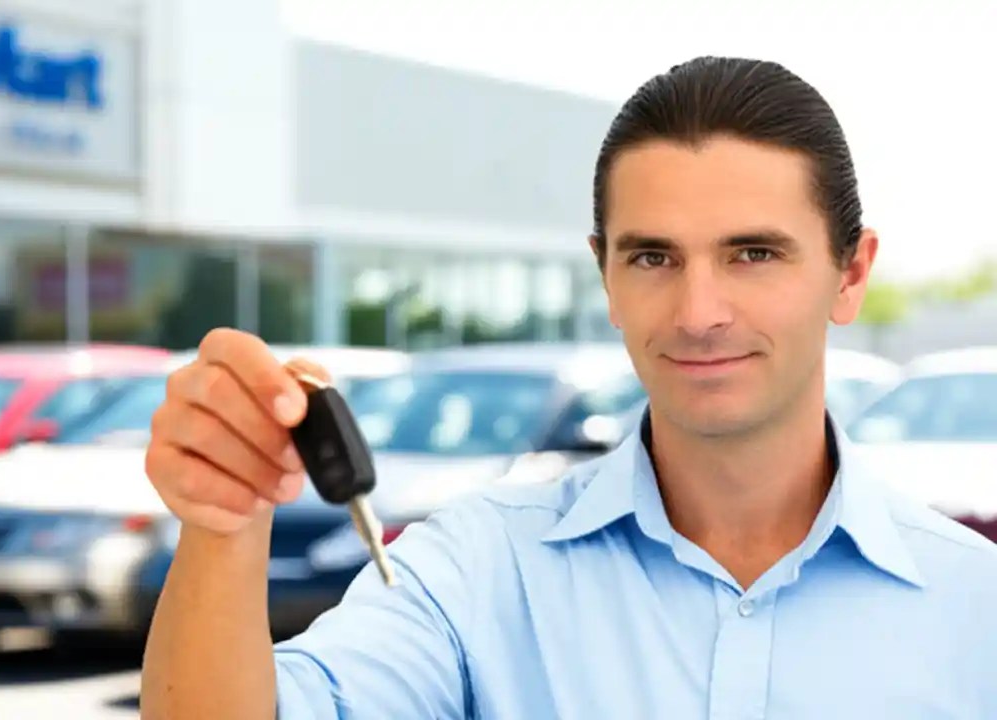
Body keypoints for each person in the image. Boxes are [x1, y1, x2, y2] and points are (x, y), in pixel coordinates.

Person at [139, 56, 997, 719]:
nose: (699, 313)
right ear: (607, 277)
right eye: (654, 257)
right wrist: (224, 525)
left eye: (753, 254)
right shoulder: (472, 572)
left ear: (850, 274)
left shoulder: (976, 608)